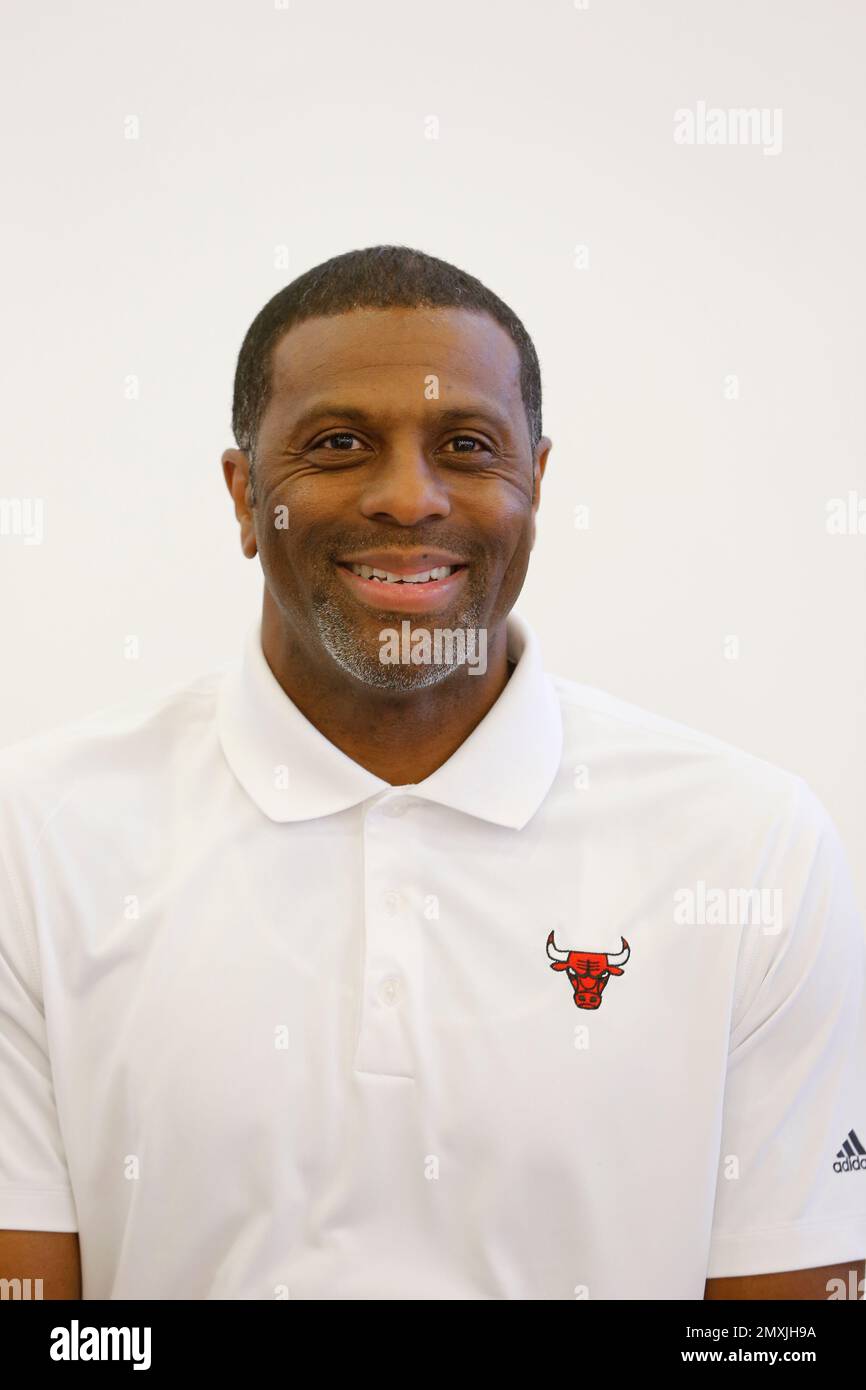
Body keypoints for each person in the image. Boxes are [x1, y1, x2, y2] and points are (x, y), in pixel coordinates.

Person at [1, 246, 864, 1301]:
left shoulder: (749, 849)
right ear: (243, 495)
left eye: (464, 446)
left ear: (534, 485)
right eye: (336, 444)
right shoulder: (36, 838)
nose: (407, 499)